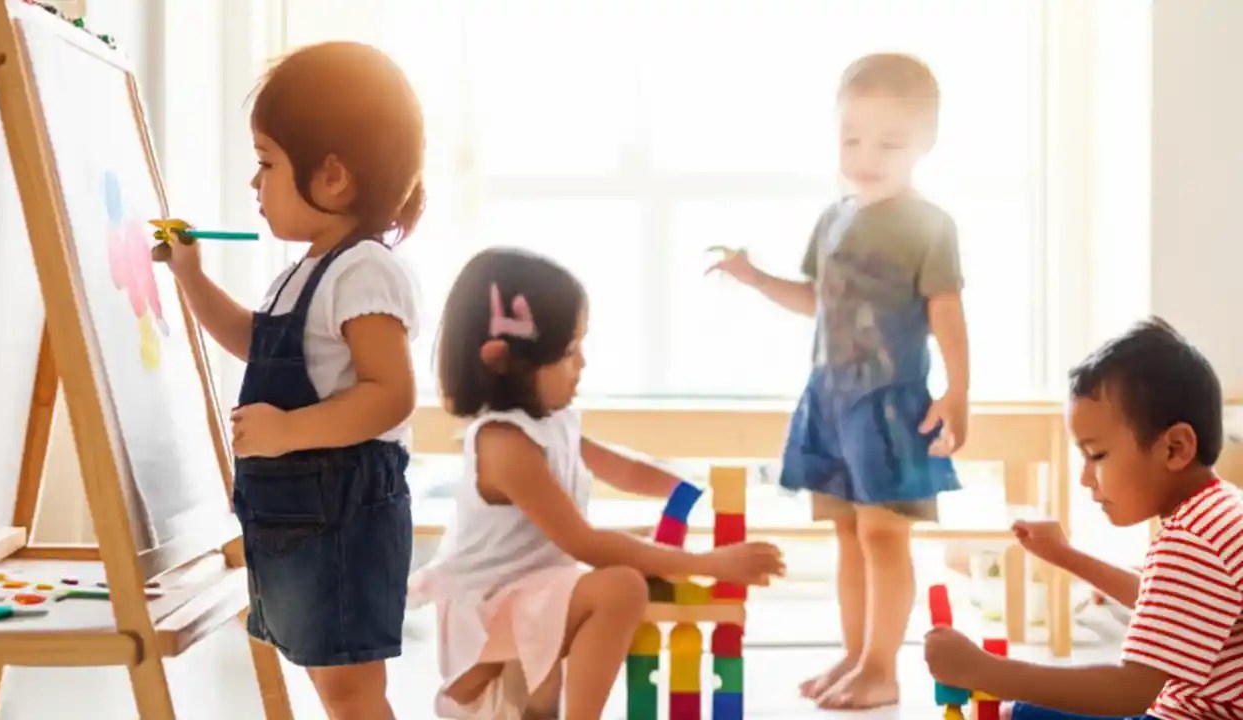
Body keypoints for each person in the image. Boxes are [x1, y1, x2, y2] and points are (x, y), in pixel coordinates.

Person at [158, 41, 425, 720]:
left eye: (266, 163)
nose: (255, 184)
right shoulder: (304, 271)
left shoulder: (364, 270)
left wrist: (287, 432)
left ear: (332, 177)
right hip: (299, 515)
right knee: (330, 683)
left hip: (341, 513)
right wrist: (190, 277)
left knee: (351, 690)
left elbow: (389, 394)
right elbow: (259, 342)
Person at [410, 247, 787, 719]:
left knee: (619, 573)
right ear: (504, 361)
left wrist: (687, 487)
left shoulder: (555, 420)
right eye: (569, 353)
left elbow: (622, 468)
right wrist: (707, 563)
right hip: (488, 619)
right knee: (621, 586)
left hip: (534, 597)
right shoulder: (503, 443)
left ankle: (544, 701)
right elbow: (584, 542)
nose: (581, 364)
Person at [709, 52, 968, 709]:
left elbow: (946, 312)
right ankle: (855, 656)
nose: (867, 154)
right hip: (832, 396)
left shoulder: (928, 224)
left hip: (890, 403)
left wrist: (958, 392)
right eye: (852, 138)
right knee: (847, 535)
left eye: (890, 142)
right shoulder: (833, 218)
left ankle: (882, 666)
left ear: (926, 144)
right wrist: (756, 277)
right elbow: (817, 300)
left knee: (884, 533)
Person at [925, 318, 1243, 720]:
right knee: (1015, 712)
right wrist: (1063, 555)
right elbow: (1161, 600)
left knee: (1014, 713)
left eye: (1097, 455)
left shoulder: (1193, 539)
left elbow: (1130, 691)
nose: (1084, 477)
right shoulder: (1218, 511)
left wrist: (986, 670)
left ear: (1175, 448)